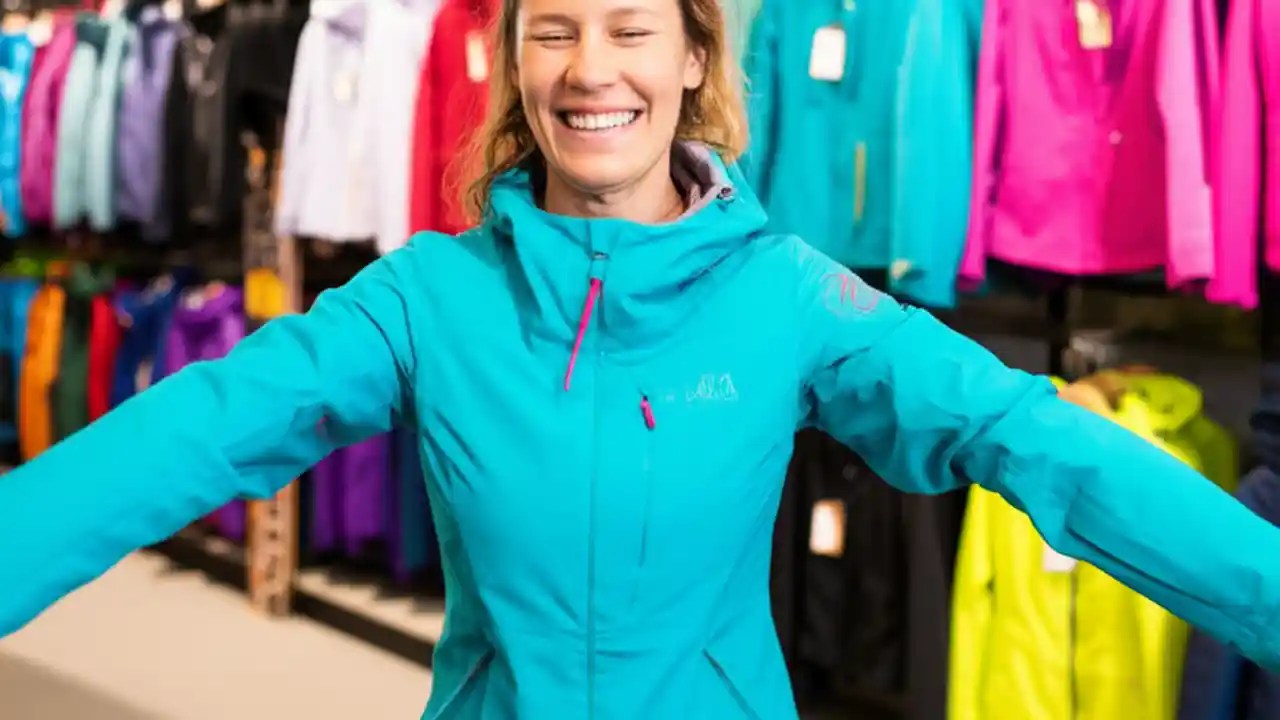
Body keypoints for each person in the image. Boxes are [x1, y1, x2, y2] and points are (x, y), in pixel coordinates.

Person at [1, 0, 1278, 717]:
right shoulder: (429, 297)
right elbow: (196, 429)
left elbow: (1027, 432)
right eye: (553, 30)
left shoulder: (784, 295)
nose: (591, 69)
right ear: (513, 62)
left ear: (690, 59)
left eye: (628, 27)